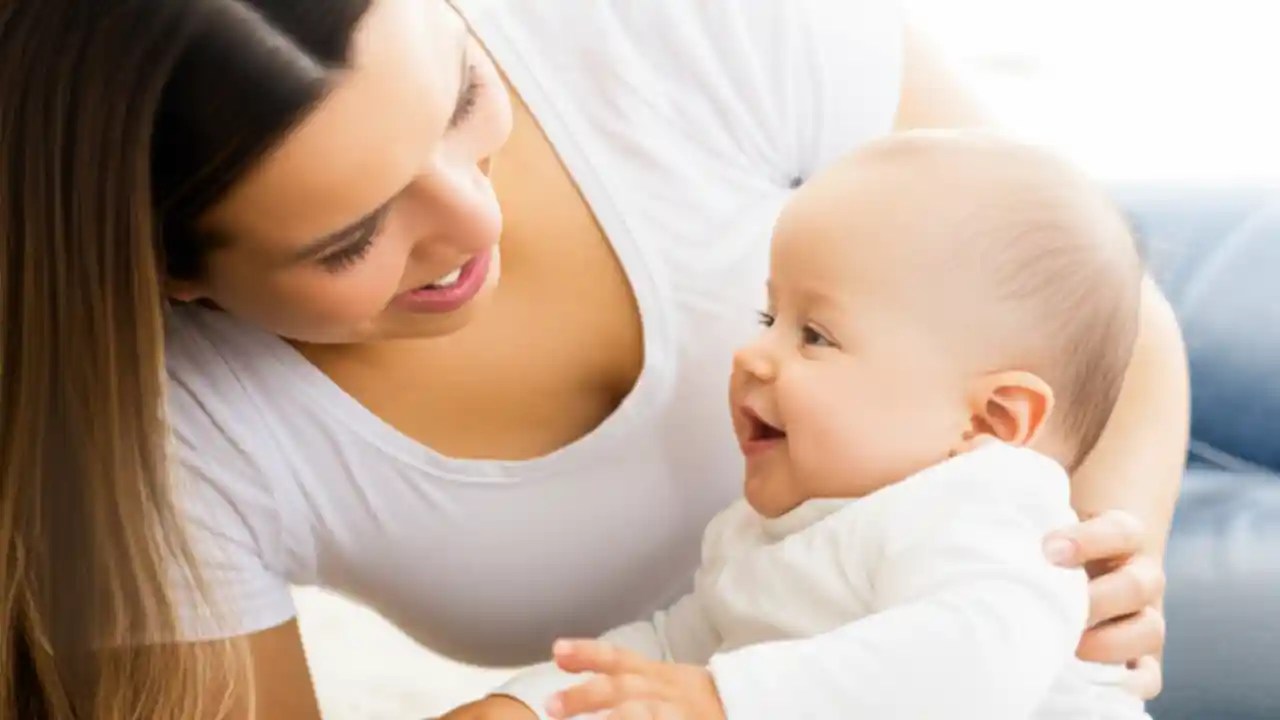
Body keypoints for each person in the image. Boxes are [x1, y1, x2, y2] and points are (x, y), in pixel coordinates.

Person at [0, 1, 1183, 717]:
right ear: (170, 275)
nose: (475, 225)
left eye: (464, 92)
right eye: (354, 234)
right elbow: (685, 638)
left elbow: (1105, 310)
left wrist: (1093, 566)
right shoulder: (151, 454)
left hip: (1102, 378)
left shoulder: (667, 27)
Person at [494, 132, 1151, 720]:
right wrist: (530, 703)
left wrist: (728, 700)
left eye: (813, 335)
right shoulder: (772, 531)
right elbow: (674, 651)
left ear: (988, 420)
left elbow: (976, 656)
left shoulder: (984, 510)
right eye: (767, 318)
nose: (752, 355)